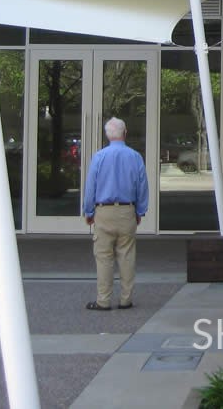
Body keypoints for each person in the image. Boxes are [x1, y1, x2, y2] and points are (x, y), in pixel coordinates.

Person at [83, 116, 149, 310]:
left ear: (107, 135)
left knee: (103, 257)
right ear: (125, 133)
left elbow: (90, 188)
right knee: (127, 255)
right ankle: (126, 299)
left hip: (103, 211)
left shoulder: (99, 157)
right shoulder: (135, 157)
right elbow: (142, 186)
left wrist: (88, 211)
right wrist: (140, 210)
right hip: (127, 210)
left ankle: (103, 300)